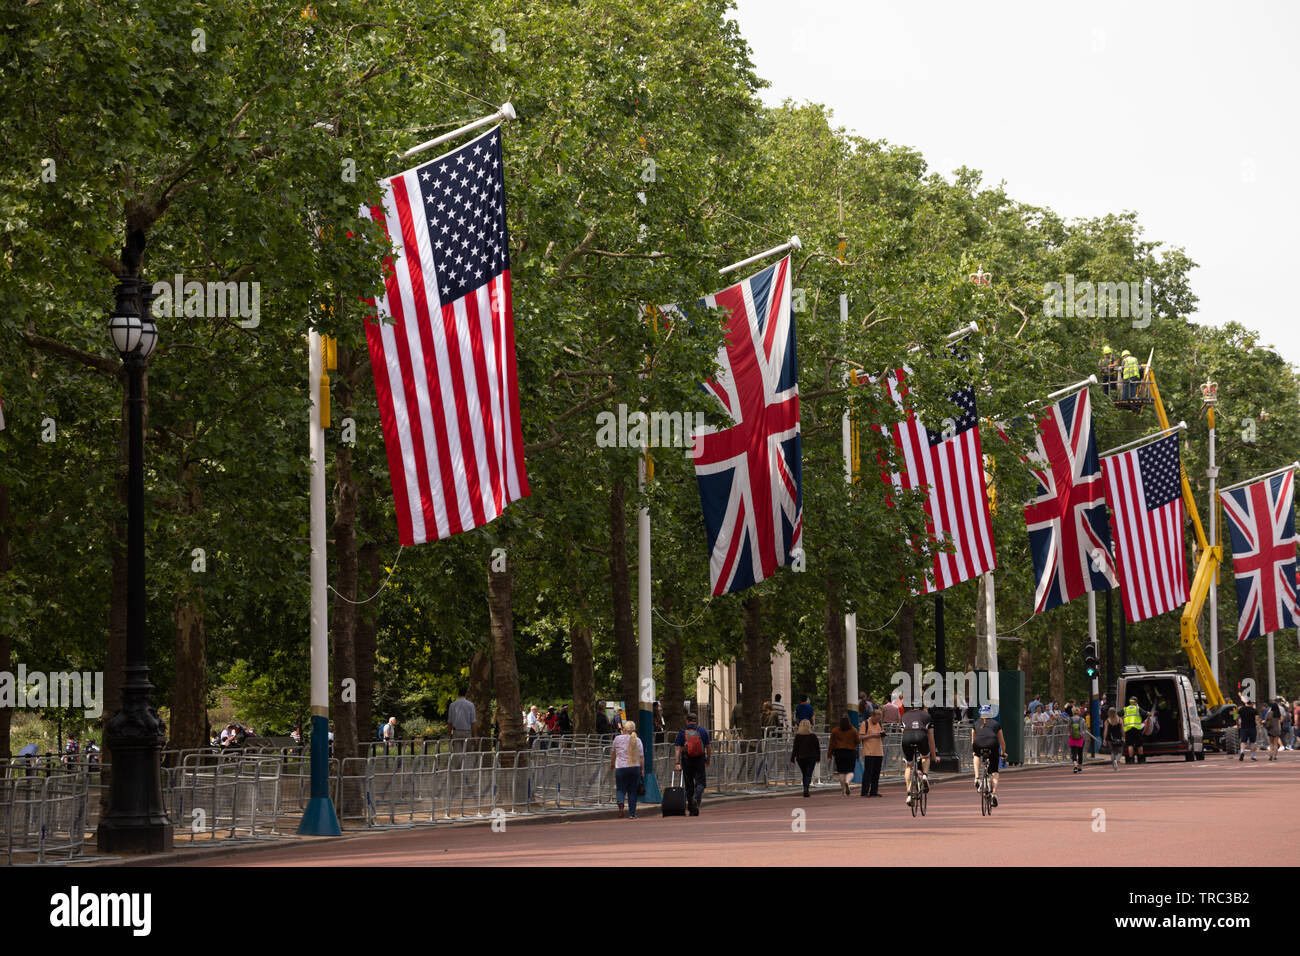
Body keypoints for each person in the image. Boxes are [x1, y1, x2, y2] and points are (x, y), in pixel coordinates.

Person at [673, 713, 712, 816]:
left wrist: (677, 762)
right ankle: (696, 799)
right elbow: (708, 747)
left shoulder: (682, 733)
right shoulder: (702, 731)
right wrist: (708, 759)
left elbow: (677, 749)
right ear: (696, 721)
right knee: (701, 783)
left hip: (686, 760)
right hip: (699, 759)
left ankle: (691, 809)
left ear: (687, 721)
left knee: (689, 785)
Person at [970, 705, 1006, 807]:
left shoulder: (976, 723)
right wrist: (1003, 753)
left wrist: (974, 751)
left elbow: (973, 740)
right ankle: (994, 794)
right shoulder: (996, 724)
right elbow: (1002, 741)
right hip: (992, 744)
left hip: (978, 743)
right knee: (994, 771)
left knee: (976, 755)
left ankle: (977, 777)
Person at [900, 704, 936, 806]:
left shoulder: (905, 716)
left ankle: (908, 794)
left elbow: (903, 733)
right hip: (921, 736)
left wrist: (905, 755)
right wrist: (933, 756)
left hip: (907, 738)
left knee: (908, 765)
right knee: (925, 757)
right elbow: (931, 739)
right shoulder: (927, 716)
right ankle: (924, 775)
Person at [611, 720, 645, 818]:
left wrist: (612, 764)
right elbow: (642, 757)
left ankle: (621, 804)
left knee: (620, 789)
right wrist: (642, 769)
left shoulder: (617, 739)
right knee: (632, 791)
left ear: (624, 729)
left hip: (621, 767)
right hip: (634, 767)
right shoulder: (637, 740)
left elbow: (613, 753)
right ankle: (632, 813)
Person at [828, 713, 860, 796]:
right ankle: (847, 781)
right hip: (850, 752)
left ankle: (843, 791)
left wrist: (829, 755)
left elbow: (831, 743)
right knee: (850, 771)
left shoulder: (835, 730)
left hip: (839, 753)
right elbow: (858, 741)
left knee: (841, 772)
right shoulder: (853, 730)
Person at [790, 719, 821, 797]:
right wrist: (818, 758)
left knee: (804, 773)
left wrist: (792, 758)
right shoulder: (813, 736)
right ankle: (806, 788)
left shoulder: (798, 736)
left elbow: (795, 748)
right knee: (809, 773)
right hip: (811, 757)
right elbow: (817, 748)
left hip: (801, 757)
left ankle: (805, 788)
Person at [860, 707, 885, 797]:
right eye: (876, 719)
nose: (877, 721)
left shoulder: (879, 724)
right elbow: (861, 737)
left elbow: (881, 738)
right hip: (869, 752)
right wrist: (874, 735)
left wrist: (882, 735)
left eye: (879, 719)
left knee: (876, 773)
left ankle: (874, 791)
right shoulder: (865, 723)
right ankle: (864, 791)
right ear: (872, 716)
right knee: (868, 772)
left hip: (879, 752)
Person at [1122, 697, 1148, 764]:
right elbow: (1145, 714)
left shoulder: (1125, 709)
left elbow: (1118, 714)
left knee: (1130, 745)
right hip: (1137, 728)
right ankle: (1141, 760)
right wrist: (1149, 714)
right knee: (1139, 745)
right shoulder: (1137, 708)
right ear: (1136, 702)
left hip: (1128, 729)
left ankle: (1131, 760)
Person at [1068, 707, 1086, 772]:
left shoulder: (1070, 719)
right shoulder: (1082, 719)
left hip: (1072, 737)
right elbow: (1084, 728)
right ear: (1079, 712)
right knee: (1080, 753)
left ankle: (1075, 766)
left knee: (1074, 752)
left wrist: (1070, 733)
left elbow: (1069, 727)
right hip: (1080, 738)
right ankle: (1080, 768)